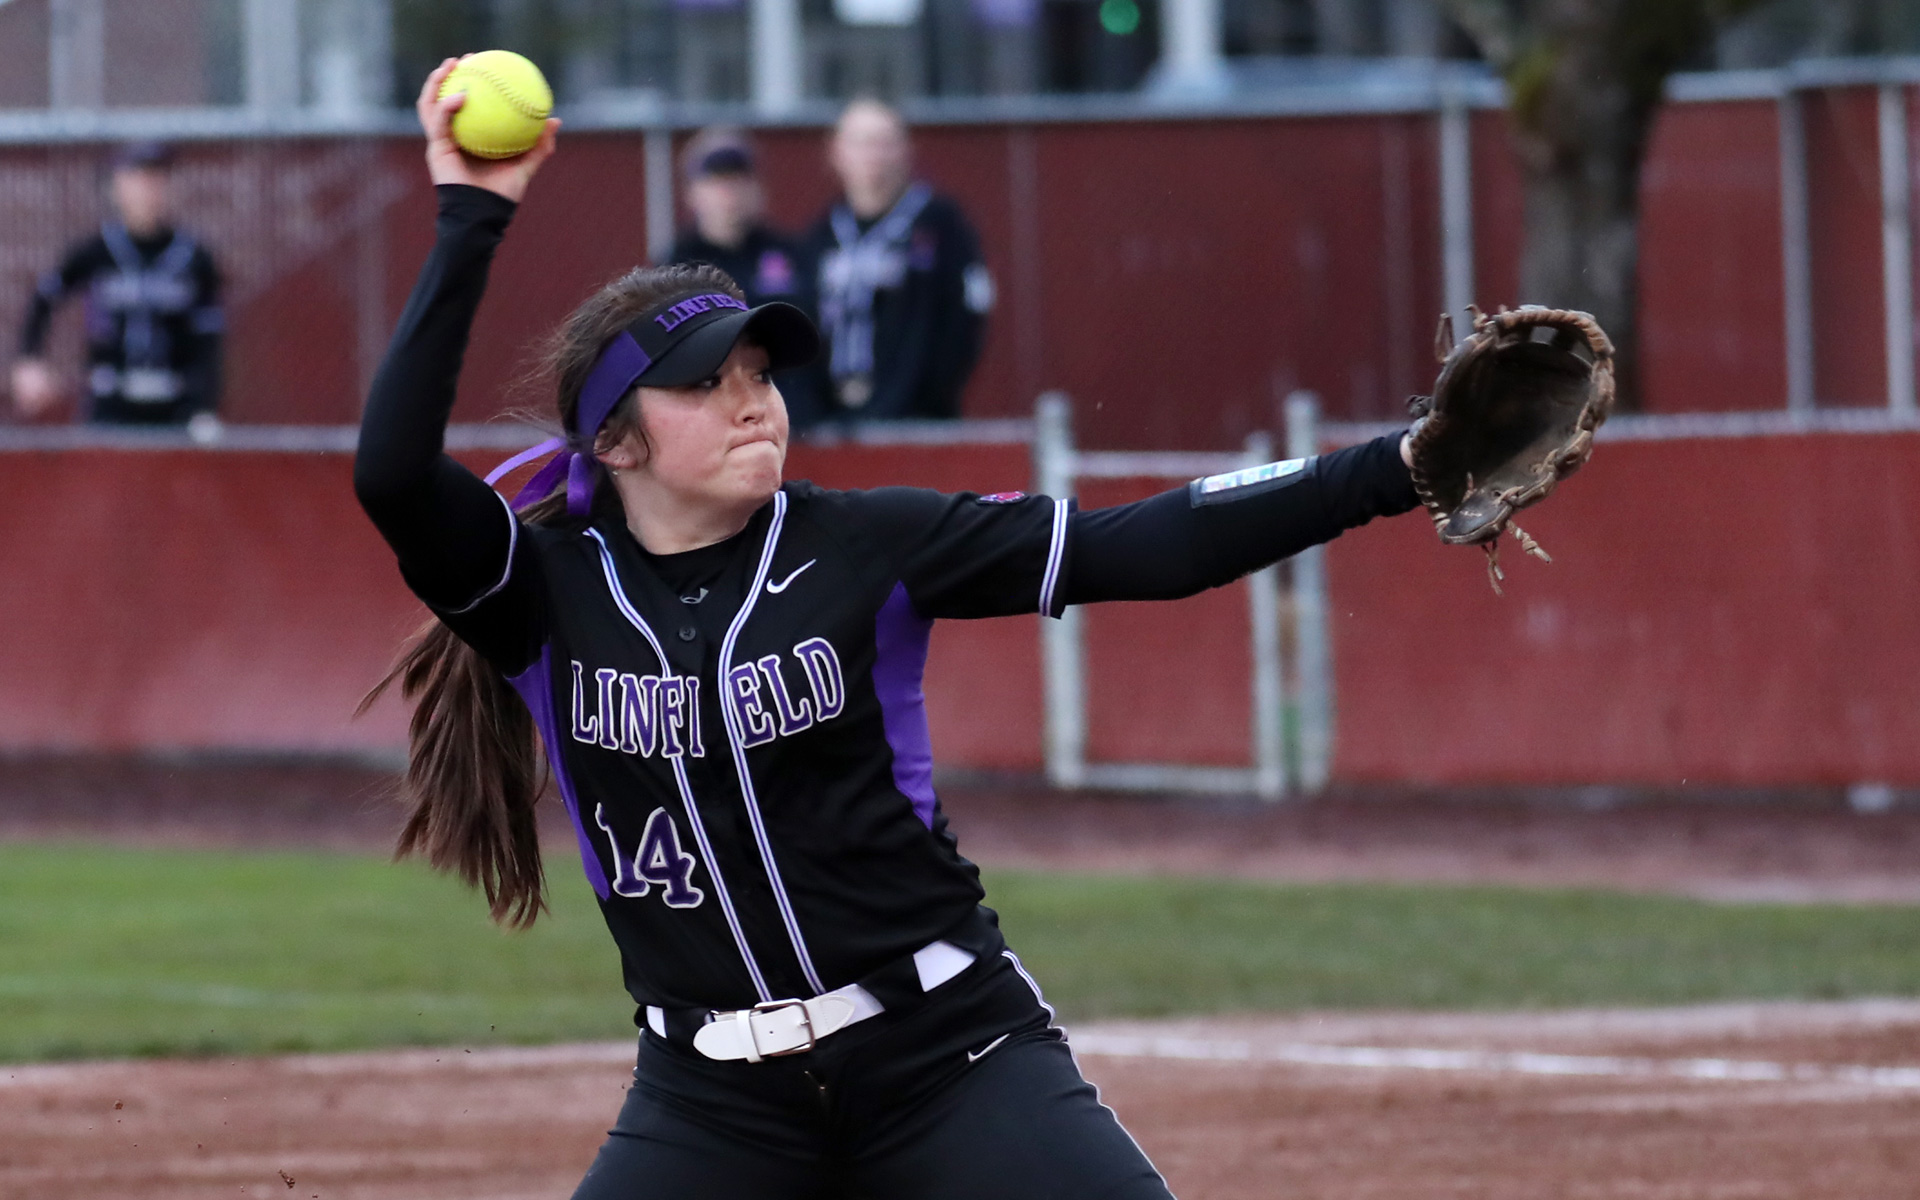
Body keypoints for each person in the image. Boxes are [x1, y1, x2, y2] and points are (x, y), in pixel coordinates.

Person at [355, 60, 1419, 1200]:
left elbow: (1146, 546)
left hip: (949, 1057)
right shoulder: (542, 594)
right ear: (614, 442)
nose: (751, 399)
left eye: (758, 372)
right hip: (710, 1101)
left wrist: (1399, 465)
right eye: (704, 383)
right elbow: (393, 473)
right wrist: (470, 215)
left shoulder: (869, 542)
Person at [11, 141, 223, 431]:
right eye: (136, 179)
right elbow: (43, 299)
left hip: (174, 401)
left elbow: (209, 339)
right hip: (111, 399)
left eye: (155, 179)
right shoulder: (96, 251)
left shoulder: (193, 257)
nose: (146, 189)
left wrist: (204, 406)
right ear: (116, 187)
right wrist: (29, 360)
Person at [803, 99, 991, 420]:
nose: (873, 155)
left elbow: (965, 318)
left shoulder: (940, 224)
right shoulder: (823, 233)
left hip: (917, 416)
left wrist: (923, 396)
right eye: (862, 143)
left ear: (906, 149)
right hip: (836, 417)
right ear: (836, 152)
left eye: (884, 142)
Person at [667, 127, 823, 427]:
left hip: (796, 416)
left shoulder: (791, 255)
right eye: (716, 181)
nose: (729, 193)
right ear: (691, 193)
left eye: (738, 180)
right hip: (718, 419)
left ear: (758, 189)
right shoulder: (677, 267)